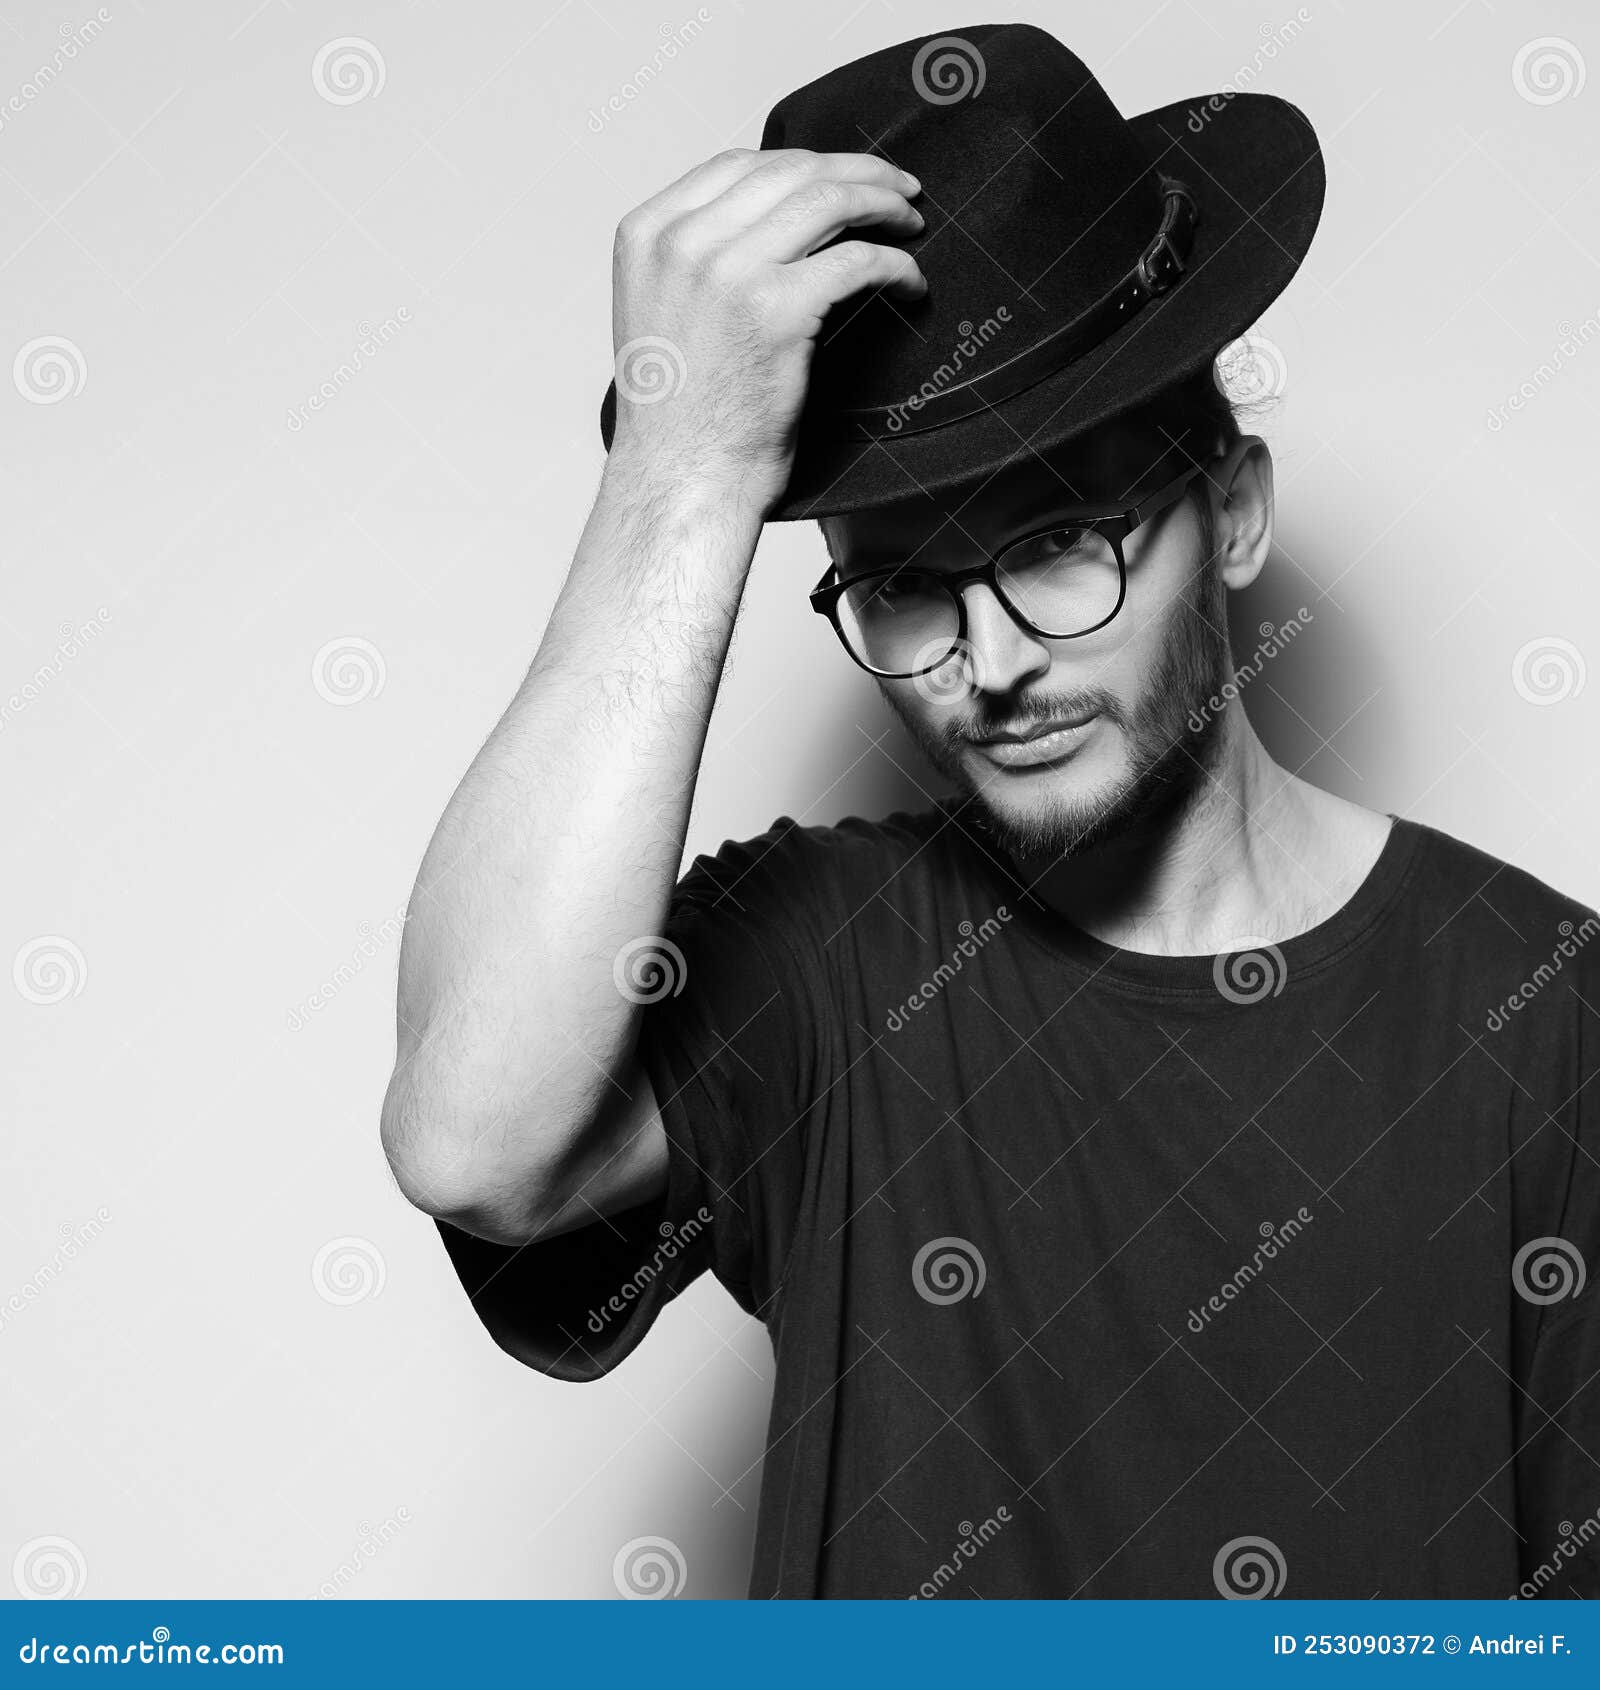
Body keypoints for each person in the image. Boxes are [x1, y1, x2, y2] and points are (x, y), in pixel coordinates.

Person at [379, 23, 1600, 1599]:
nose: (996, 664)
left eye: (1059, 540)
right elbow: (474, 1138)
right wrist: (682, 473)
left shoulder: (1545, 1010)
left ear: (1229, 512)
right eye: (905, 587)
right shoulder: (824, 960)